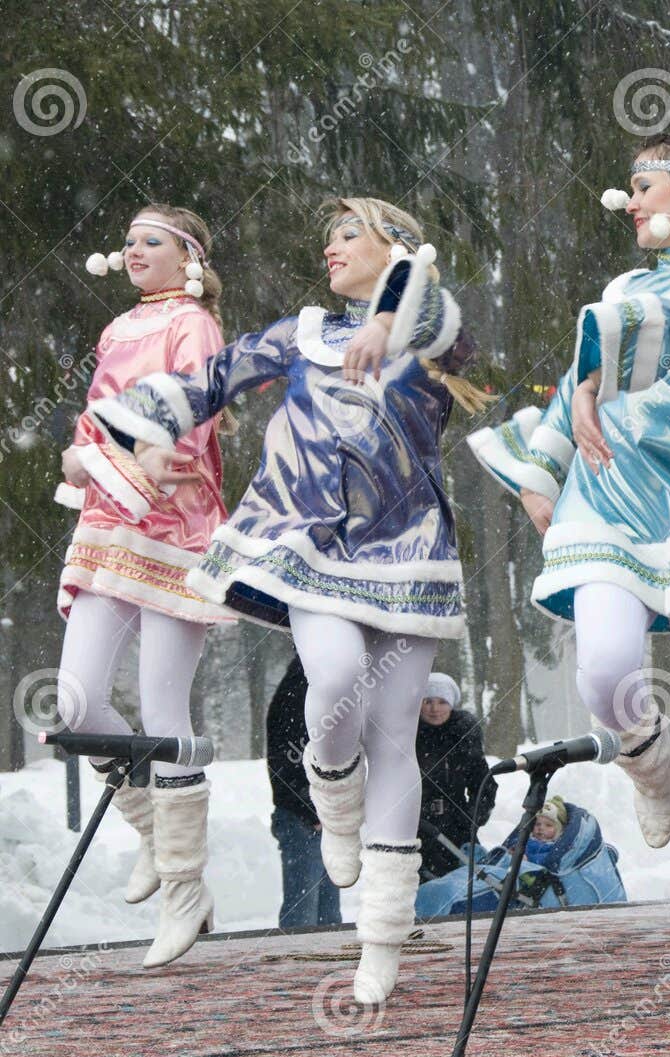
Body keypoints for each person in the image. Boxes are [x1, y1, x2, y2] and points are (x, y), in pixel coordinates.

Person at [93, 196, 488, 1006]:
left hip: (409, 556)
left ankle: (379, 936)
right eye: (328, 237)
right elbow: (196, 385)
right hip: (308, 546)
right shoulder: (300, 332)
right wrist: (146, 438)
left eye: (351, 233)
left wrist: (391, 312)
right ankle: (330, 784)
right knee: (334, 679)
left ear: (398, 248)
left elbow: (430, 305)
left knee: (395, 736)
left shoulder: (430, 328)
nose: (332, 247)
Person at [469, 133, 670, 1026]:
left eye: (642, 186)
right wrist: (543, 467)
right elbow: (577, 385)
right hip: (609, 507)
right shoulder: (618, 295)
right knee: (605, 672)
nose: (629, 201)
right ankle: (643, 765)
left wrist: (605, 344)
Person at [57, 204, 232, 968]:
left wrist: (130, 455)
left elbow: (195, 411)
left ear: (186, 255)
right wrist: (77, 451)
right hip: (107, 517)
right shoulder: (118, 327)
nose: (133, 250)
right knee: (71, 697)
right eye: (128, 241)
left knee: (165, 708)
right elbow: (96, 414)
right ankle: (153, 830)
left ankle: (185, 887)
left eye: (150, 240)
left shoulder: (192, 322)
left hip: (175, 522)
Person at [413, 795, 627, 917]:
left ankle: (426, 904)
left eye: (548, 825)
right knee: (461, 879)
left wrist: (523, 863)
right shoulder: (527, 841)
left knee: (453, 893)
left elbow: (542, 869)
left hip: (527, 880)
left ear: (560, 829)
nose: (540, 829)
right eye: (536, 824)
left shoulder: (555, 851)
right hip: (505, 870)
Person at [265, 655, 342, 928]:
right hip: (303, 818)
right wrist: (311, 810)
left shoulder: (317, 693)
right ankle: (293, 965)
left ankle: (327, 965)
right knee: (303, 915)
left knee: (328, 916)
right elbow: (285, 764)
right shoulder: (296, 697)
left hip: (324, 814)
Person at [415, 672, 496, 879]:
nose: (435, 709)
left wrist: (471, 818)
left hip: (457, 830)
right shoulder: (407, 735)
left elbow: (484, 784)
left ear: (451, 703)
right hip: (417, 831)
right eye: (428, 701)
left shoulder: (464, 734)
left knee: (464, 890)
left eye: (442, 702)